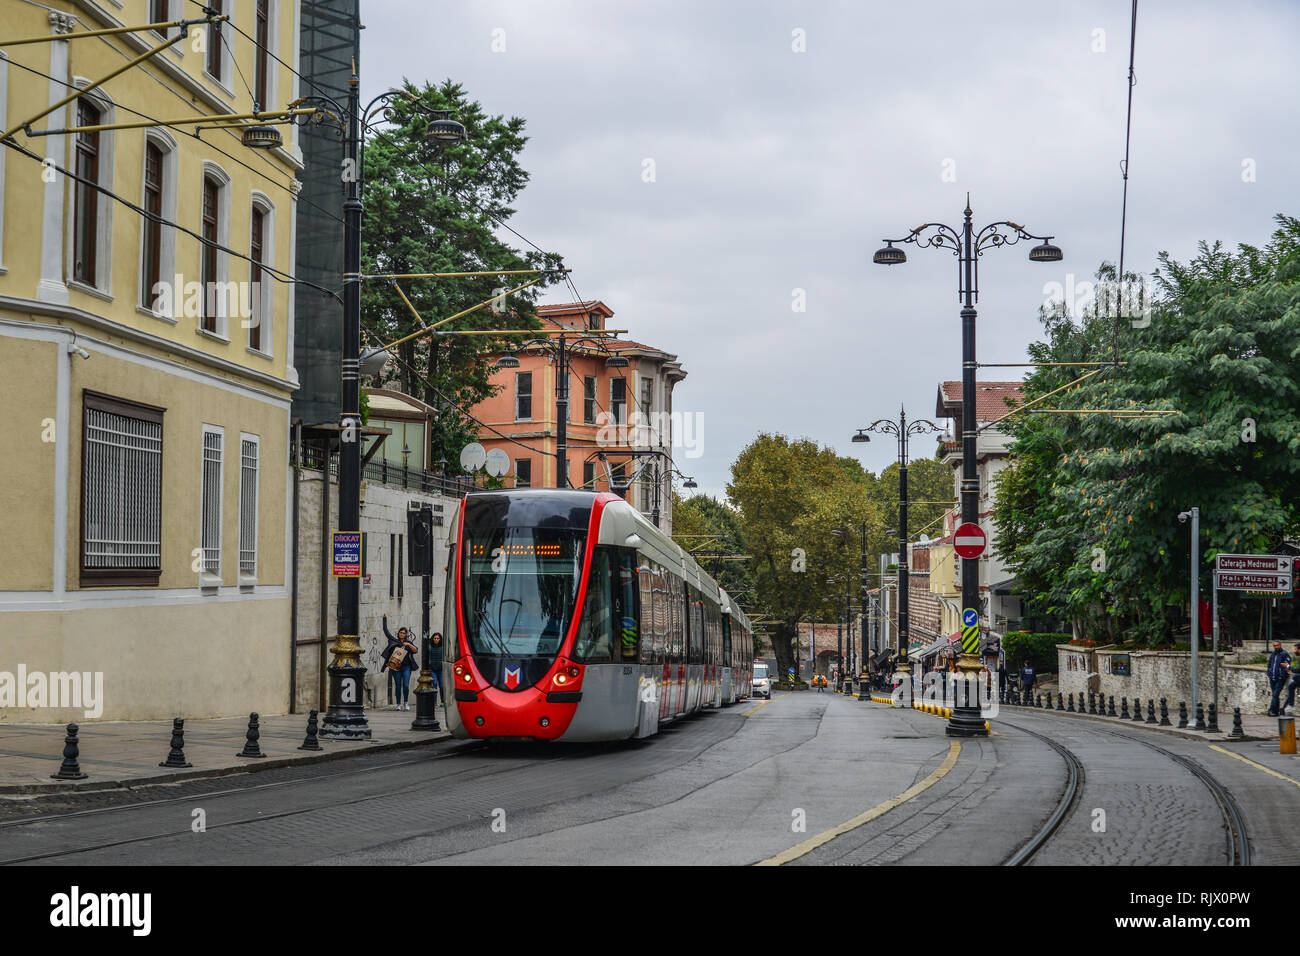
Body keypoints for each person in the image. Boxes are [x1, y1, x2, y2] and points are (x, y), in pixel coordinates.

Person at [382, 614, 419, 711]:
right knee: (398, 685)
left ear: (406, 634)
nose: (402, 634)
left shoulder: (408, 643)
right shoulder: (394, 641)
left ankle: (406, 703)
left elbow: (416, 650)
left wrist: (408, 645)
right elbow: (386, 632)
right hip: (395, 667)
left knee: (406, 685)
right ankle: (398, 704)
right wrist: (384, 620)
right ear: (398, 633)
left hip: (406, 667)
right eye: (401, 632)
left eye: (404, 633)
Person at [1267, 639, 1291, 717]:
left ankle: (1271, 710)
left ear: (1280, 645)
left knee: (1275, 694)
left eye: (1277, 645)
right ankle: (1276, 711)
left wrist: (1282, 675)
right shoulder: (1273, 654)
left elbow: (1287, 665)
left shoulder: (1284, 654)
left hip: (1280, 678)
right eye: (1274, 645)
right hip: (1272, 677)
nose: (1275, 647)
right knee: (1275, 695)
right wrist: (1269, 673)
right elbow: (1270, 664)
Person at [428, 631, 446, 707]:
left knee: (441, 686)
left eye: (438, 638)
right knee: (434, 685)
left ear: (440, 639)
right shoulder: (430, 648)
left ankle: (442, 701)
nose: (436, 639)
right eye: (435, 638)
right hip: (433, 670)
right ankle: (434, 702)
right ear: (432, 639)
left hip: (441, 670)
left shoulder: (443, 648)